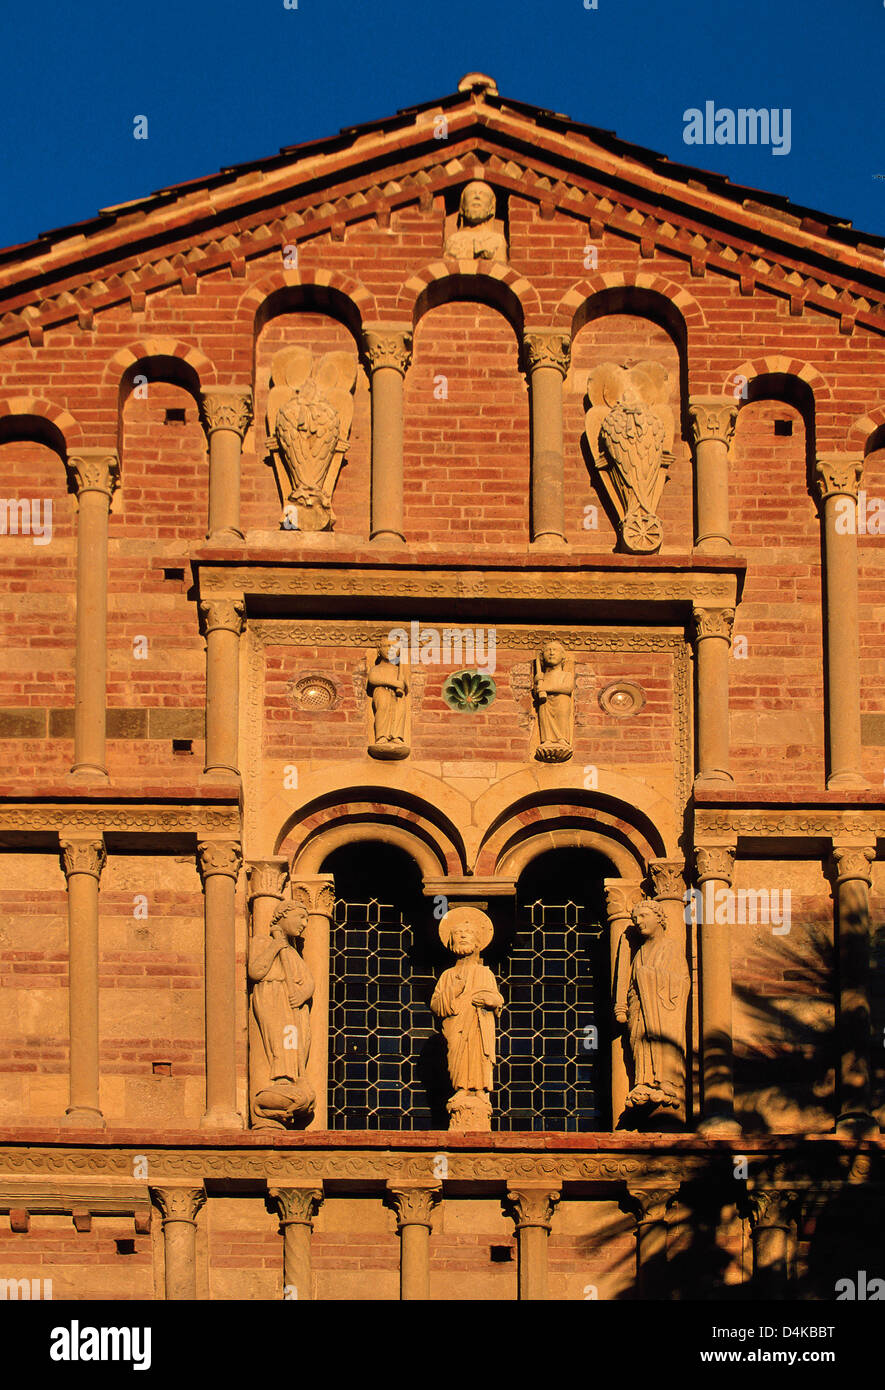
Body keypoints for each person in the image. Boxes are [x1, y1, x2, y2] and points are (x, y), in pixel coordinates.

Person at [614, 899, 689, 1109]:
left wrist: (649, 977)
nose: (639, 922)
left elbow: (682, 981)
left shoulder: (671, 947)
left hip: (663, 1011)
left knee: (659, 1040)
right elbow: (628, 983)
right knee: (639, 1042)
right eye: (635, 918)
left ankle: (665, 1081)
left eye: (644, 916)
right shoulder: (638, 953)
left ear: (659, 918)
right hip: (639, 1011)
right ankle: (643, 1081)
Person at [430, 907, 504, 1099]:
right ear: (451, 941)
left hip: (479, 1027)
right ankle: (461, 1089)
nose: (463, 937)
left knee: (479, 1056)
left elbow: (497, 999)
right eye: (458, 934)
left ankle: (480, 1090)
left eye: (468, 933)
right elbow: (436, 1005)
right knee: (457, 1057)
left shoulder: (484, 973)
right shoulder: (448, 976)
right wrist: (453, 991)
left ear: (477, 941)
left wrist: (489, 1000)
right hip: (456, 1028)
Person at [444, 182, 508, 261]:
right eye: (471, 194)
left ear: (492, 208)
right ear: (462, 206)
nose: (477, 197)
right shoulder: (453, 240)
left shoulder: (498, 241)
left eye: (484, 194)